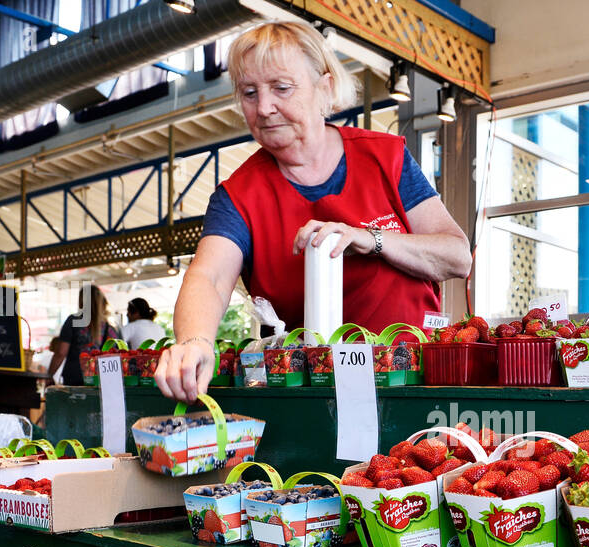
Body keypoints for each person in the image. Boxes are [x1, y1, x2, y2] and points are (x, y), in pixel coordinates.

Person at [155, 20, 471, 401]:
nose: (265, 107)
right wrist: (195, 341)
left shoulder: (385, 157)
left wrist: (368, 239)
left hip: (417, 383)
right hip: (319, 393)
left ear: (325, 88)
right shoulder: (238, 195)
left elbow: (456, 256)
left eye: (281, 88)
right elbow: (209, 276)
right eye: (249, 93)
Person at [48, 285, 121, 385]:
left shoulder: (73, 321)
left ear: (82, 301)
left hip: (75, 378)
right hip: (100, 381)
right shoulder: (110, 328)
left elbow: (61, 352)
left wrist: (49, 375)